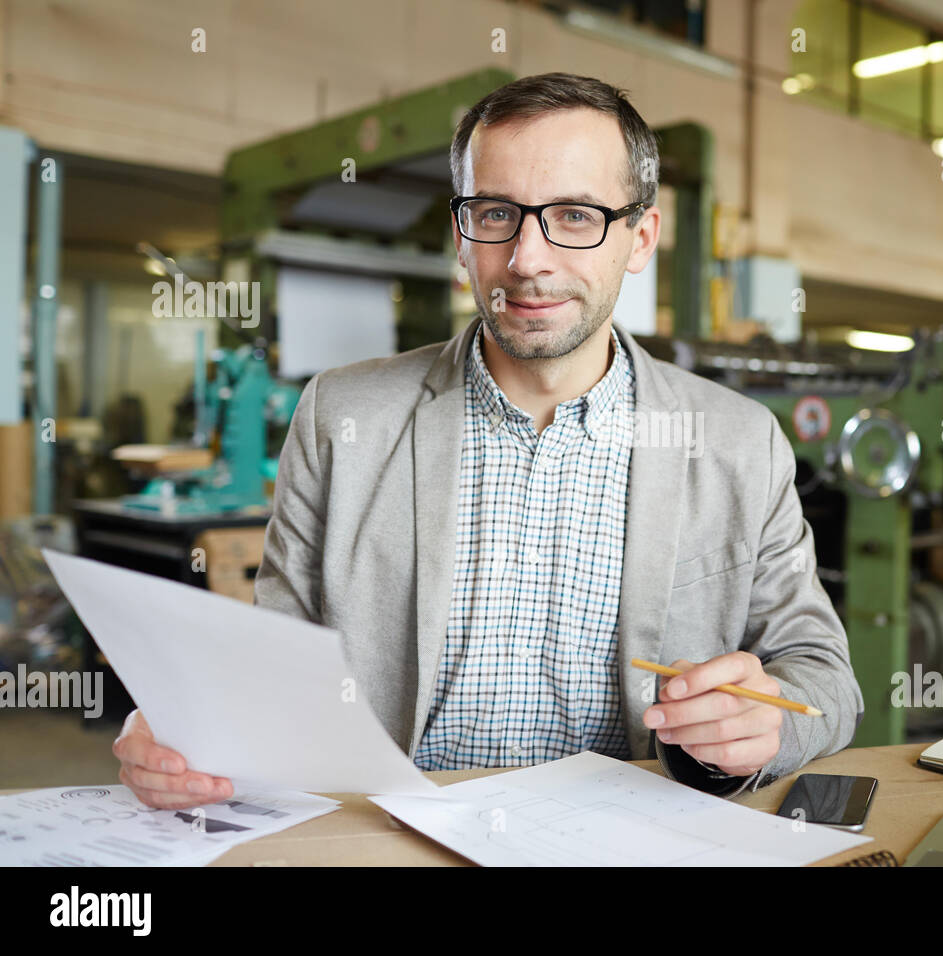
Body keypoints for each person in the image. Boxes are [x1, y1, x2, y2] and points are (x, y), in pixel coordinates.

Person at [114, 72, 862, 810]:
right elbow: (270, 662)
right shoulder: (343, 418)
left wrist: (765, 722)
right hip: (389, 842)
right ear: (461, 235)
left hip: (627, 846)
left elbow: (824, 676)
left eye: (574, 216)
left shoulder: (737, 441)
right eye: (497, 213)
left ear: (640, 238)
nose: (529, 259)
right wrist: (187, 725)